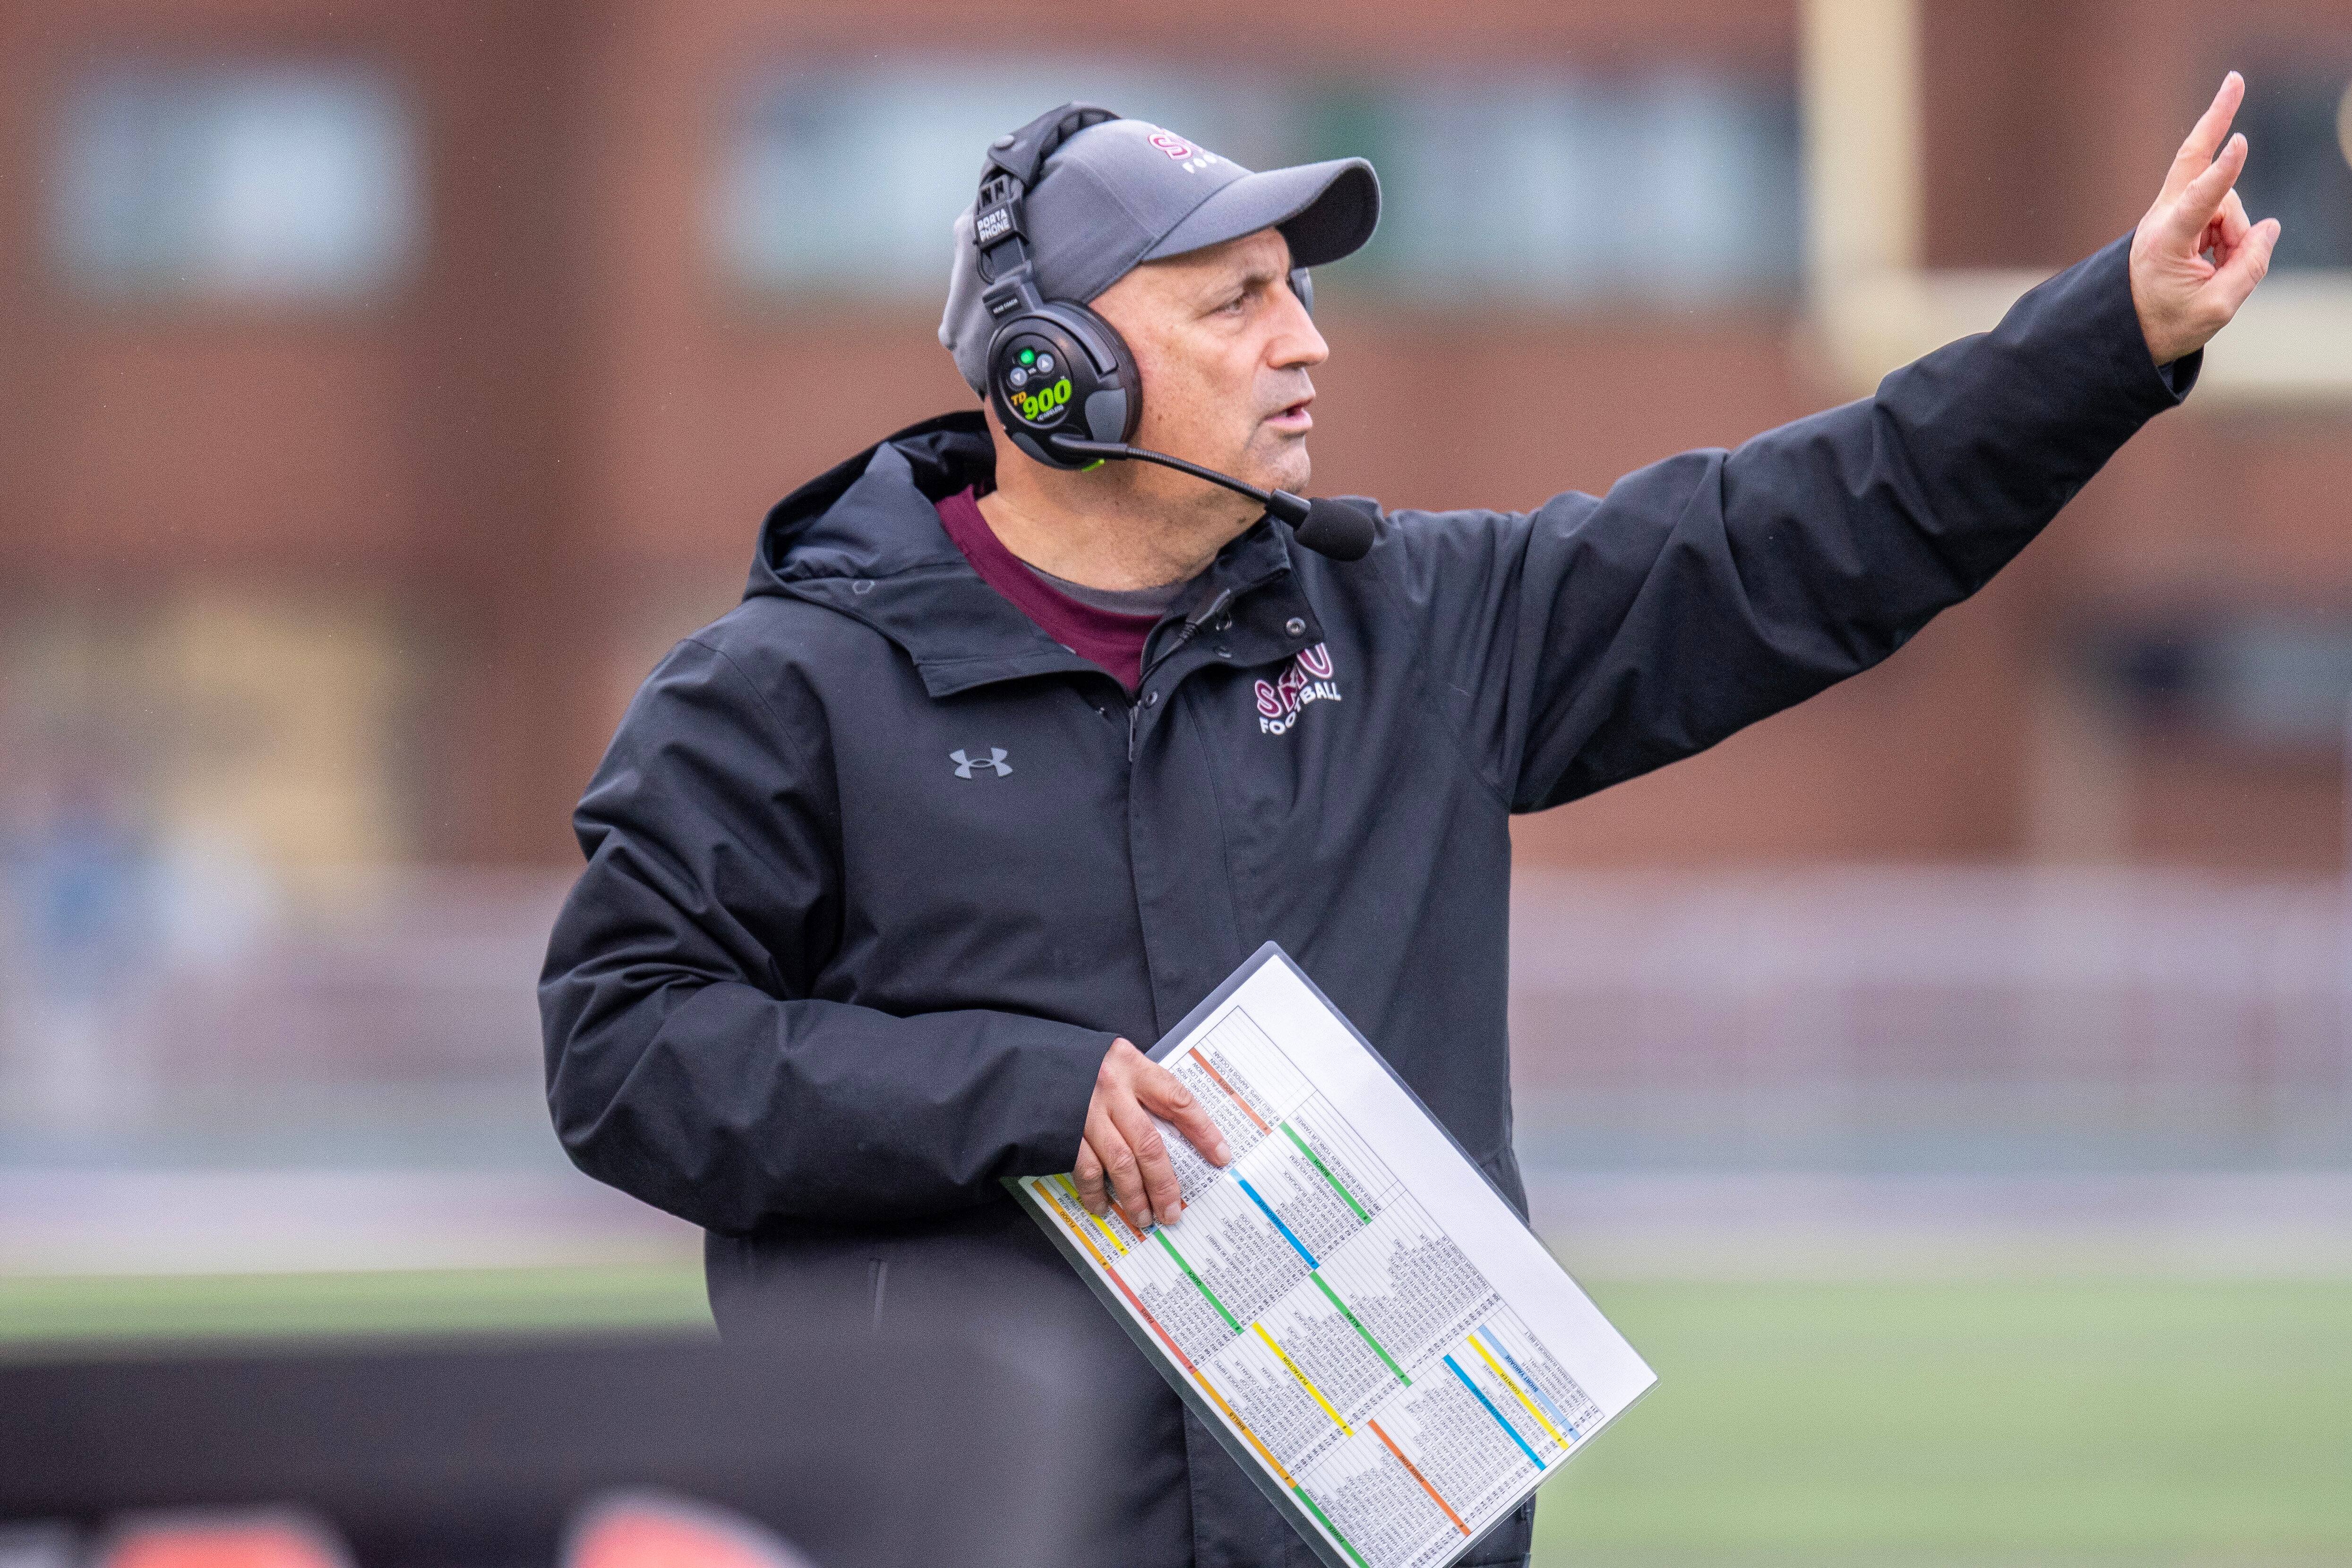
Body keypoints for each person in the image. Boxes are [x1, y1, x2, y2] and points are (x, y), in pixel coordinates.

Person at [541, 78, 2277, 1568]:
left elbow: (1796, 534)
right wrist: (1012, 1093)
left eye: (1295, 294)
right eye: (1233, 303)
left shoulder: (1412, 624)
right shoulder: (782, 689)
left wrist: (2105, 340)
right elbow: (623, 1054)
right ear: (1054, 373)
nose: (1304, 343)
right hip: (976, 1528)